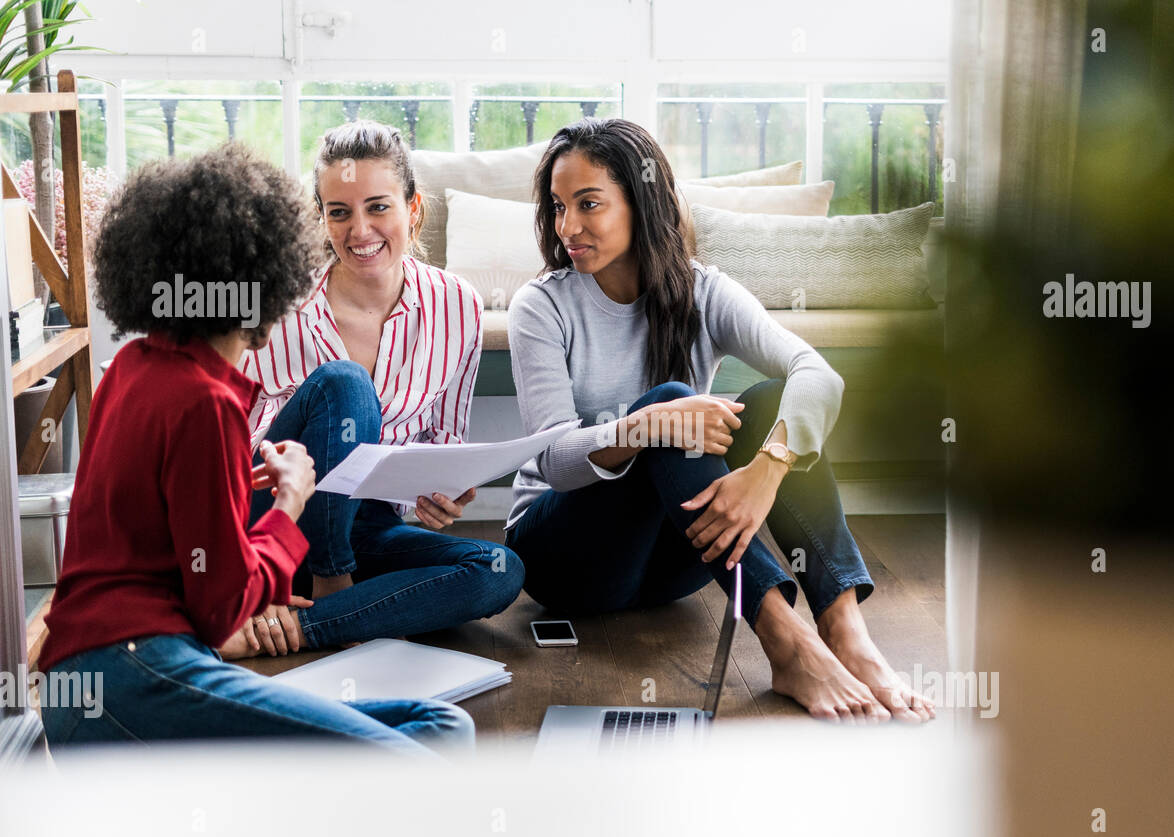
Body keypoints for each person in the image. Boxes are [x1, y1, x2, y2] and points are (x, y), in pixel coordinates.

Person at [37, 144, 473, 756]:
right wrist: (292, 499)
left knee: (444, 726)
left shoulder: (130, 369)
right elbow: (222, 612)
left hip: (88, 678)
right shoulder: (205, 402)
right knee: (411, 754)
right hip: (135, 671)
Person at [504, 118, 936, 723]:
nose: (567, 227)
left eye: (589, 203)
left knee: (769, 400)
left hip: (677, 564)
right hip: (568, 558)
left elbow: (818, 376)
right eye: (557, 206)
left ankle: (844, 629)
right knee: (671, 405)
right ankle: (787, 642)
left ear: (643, 201)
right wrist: (647, 424)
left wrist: (767, 469)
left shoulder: (702, 290)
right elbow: (553, 460)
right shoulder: (541, 306)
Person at [224, 120, 523, 659]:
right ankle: (333, 582)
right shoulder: (281, 302)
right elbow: (231, 443)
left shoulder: (457, 305)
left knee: (500, 570)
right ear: (323, 219)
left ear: (413, 208)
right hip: (274, 517)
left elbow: (444, 436)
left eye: (378, 207)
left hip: (371, 525)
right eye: (339, 212)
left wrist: (441, 492)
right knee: (346, 383)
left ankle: (297, 628)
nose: (360, 230)